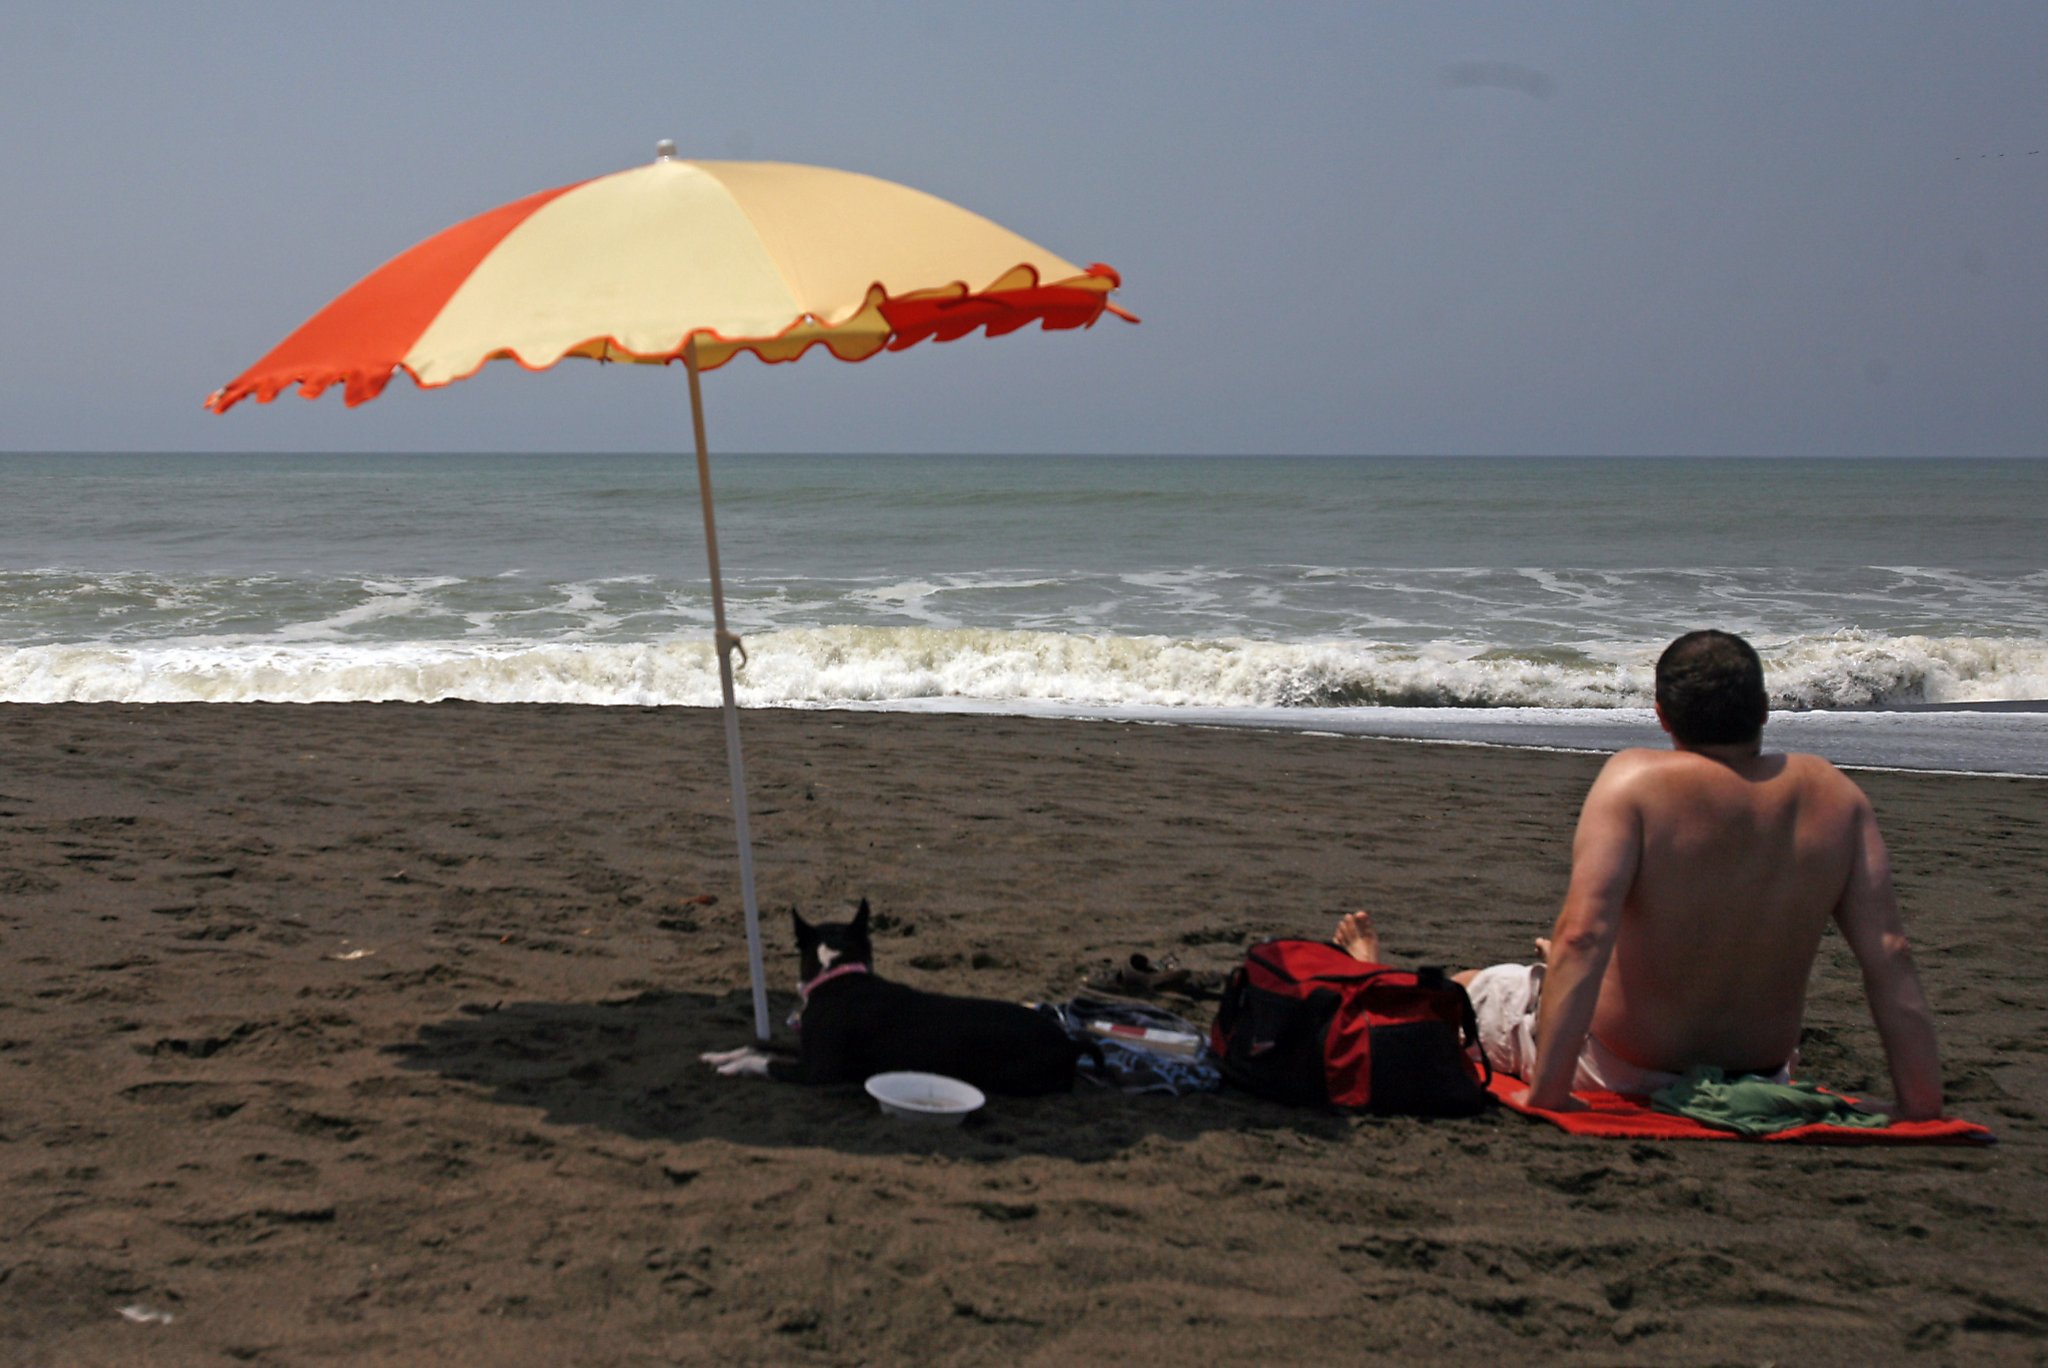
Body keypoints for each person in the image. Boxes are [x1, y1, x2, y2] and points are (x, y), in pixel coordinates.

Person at [1335, 629, 1944, 1119]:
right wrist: (1921, 1106)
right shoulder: (1835, 796)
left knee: (1474, 988)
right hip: (1759, 1069)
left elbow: (1584, 935)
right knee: (1564, 965)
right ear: (1764, 708)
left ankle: (1368, 972)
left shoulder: (1636, 781)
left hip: (1616, 1066)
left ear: (1661, 715)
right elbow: (1890, 953)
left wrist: (1547, 1093)